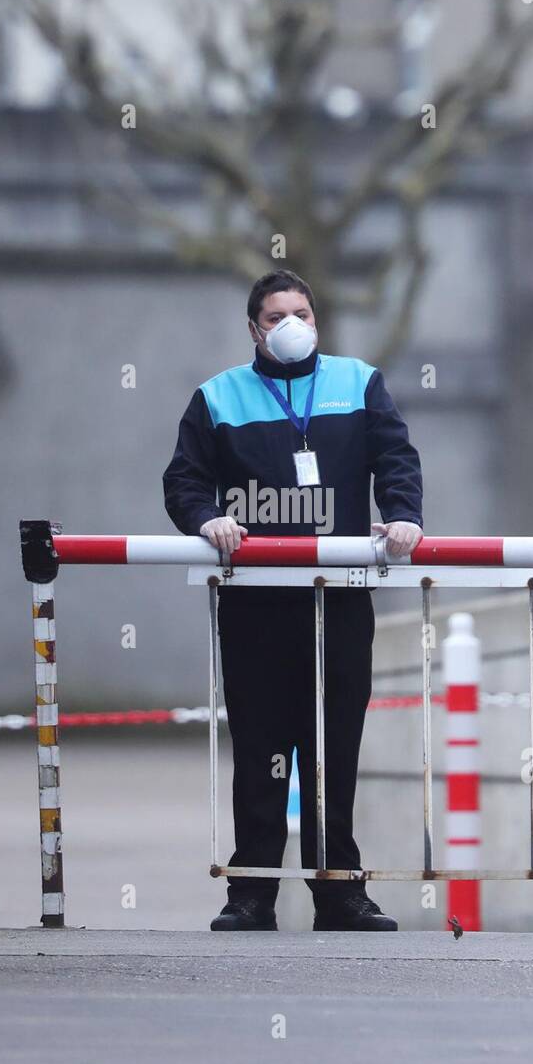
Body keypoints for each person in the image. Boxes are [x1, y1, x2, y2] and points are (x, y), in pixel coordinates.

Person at [163, 269, 423, 931]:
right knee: (260, 753)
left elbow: (397, 458)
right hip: (256, 606)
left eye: (300, 312)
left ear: (318, 319)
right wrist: (206, 520)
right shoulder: (218, 397)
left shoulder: (357, 383)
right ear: (254, 329)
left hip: (337, 602)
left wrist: (402, 515)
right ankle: (251, 894)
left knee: (333, 751)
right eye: (275, 316)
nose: (290, 325)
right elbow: (184, 480)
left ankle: (340, 894)